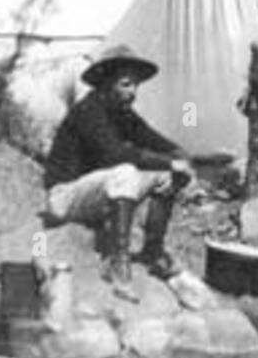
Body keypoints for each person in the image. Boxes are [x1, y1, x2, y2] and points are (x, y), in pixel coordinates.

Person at [43, 44, 194, 297]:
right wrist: (169, 162)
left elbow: (153, 139)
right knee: (125, 171)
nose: (133, 92)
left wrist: (183, 158)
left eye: (135, 85)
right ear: (106, 83)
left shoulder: (122, 114)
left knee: (164, 175)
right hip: (63, 197)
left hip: (95, 195)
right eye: (126, 84)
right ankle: (118, 261)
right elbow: (116, 154)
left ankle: (153, 252)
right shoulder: (88, 111)